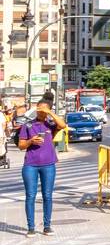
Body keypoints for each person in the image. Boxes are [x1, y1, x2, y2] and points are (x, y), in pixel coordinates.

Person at [19, 93, 65, 237]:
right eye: (39, 109)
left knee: (47, 196)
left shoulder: (51, 124)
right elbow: (21, 145)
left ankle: (47, 226)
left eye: (43, 110)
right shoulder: (28, 125)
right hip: (30, 165)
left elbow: (63, 125)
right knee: (30, 196)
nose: (40, 111)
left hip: (48, 164)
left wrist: (49, 112)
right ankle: (31, 227)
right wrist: (30, 141)